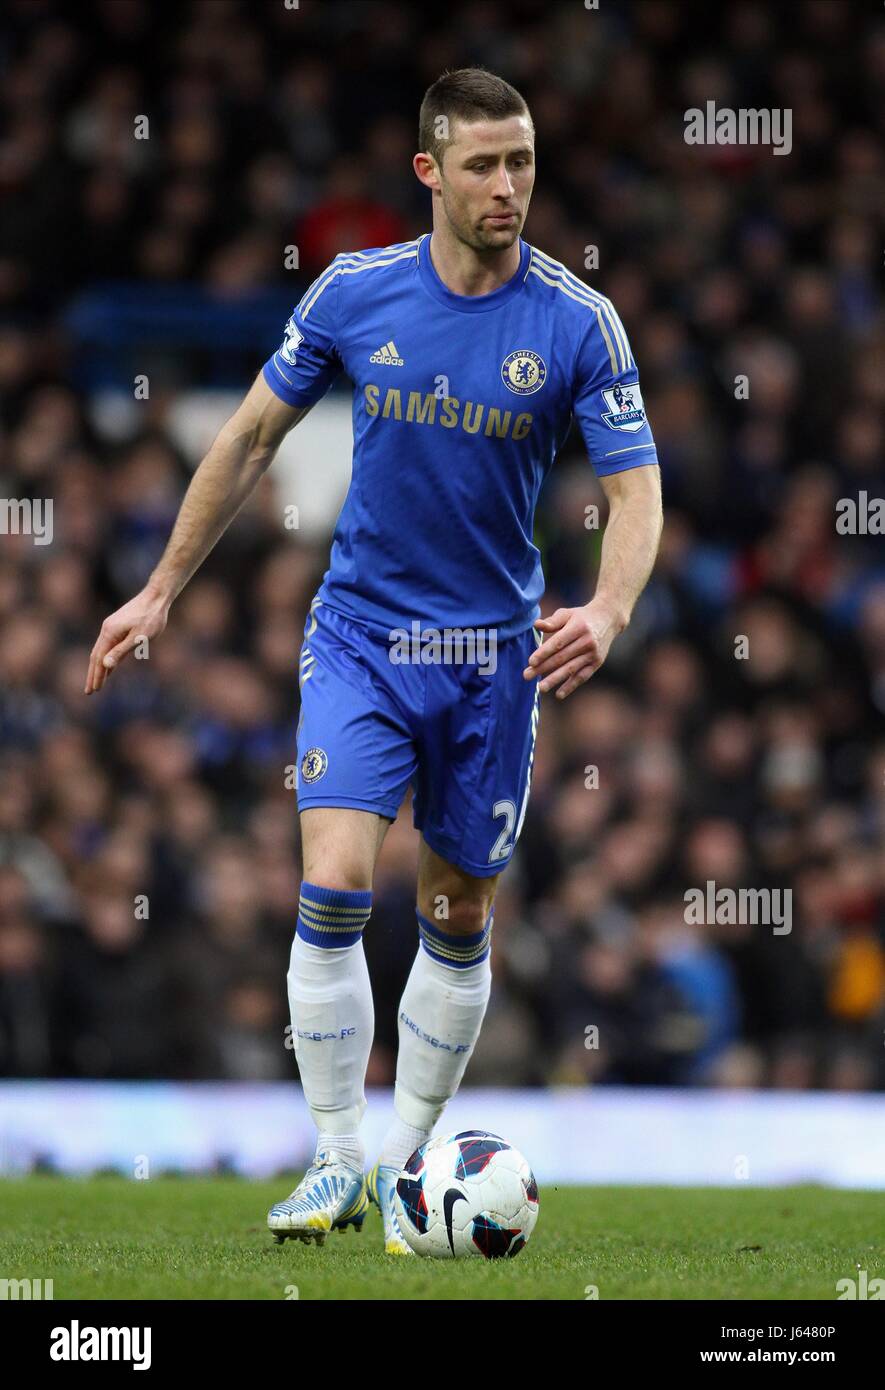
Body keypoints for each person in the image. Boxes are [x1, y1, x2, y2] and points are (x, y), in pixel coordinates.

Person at [86, 68, 663, 1254]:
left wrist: (607, 609)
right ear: (430, 173)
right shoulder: (355, 293)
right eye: (485, 165)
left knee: (455, 909)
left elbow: (635, 487)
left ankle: (407, 1164)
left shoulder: (575, 320)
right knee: (337, 880)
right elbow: (250, 437)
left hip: (493, 661)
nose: (509, 187)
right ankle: (339, 1156)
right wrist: (158, 589)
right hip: (360, 636)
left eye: (524, 162)